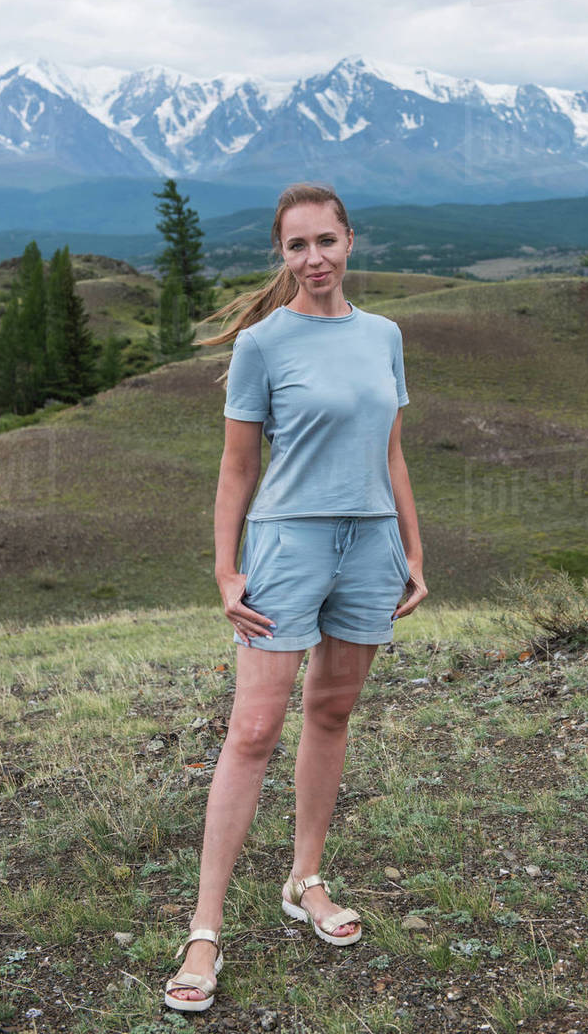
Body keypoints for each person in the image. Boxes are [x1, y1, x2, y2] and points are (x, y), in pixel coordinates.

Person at [164, 181, 428, 1012]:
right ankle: (205, 929)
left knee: (332, 712)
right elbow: (238, 467)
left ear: (351, 242)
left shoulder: (384, 335)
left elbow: (391, 454)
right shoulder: (263, 345)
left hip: (370, 547)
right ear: (281, 256)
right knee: (251, 730)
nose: (313, 259)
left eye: (325, 241)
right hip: (287, 544)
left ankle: (304, 880)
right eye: (295, 246)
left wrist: (412, 552)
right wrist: (224, 567)